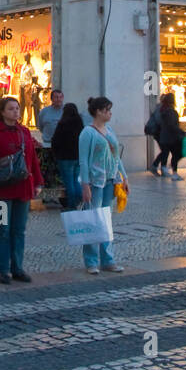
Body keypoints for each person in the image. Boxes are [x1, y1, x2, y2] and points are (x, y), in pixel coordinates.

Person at [0, 95, 41, 284]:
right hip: (0, 192)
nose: (16, 111)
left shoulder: (24, 132)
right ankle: (3, 270)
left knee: (19, 230)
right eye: (11, 108)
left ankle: (18, 268)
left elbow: (32, 159)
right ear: (2, 112)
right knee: (2, 230)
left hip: (22, 189)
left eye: (17, 108)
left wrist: (38, 181)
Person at [76, 96, 125, 276]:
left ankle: (108, 259)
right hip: (95, 182)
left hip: (110, 180)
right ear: (98, 111)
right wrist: (85, 184)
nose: (110, 113)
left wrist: (123, 177)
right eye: (107, 110)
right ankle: (91, 261)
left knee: (105, 221)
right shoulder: (87, 133)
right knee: (92, 220)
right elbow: (83, 161)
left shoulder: (110, 130)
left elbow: (116, 156)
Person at [50, 103, 84, 210]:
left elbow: (55, 140)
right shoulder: (80, 124)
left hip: (65, 157)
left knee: (68, 182)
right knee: (75, 180)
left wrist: (56, 153)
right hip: (77, 156)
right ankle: (79, 200)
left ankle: (71, 205)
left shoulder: (62, 124)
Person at [151, 92, 186, 180]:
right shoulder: (171, 111)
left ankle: (163, 168)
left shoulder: (164, 110)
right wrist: (181, 132)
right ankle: (171, 171)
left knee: (166, 152)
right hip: (171, 138)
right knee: (174, 154)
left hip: (165, 137)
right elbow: (172, 126)